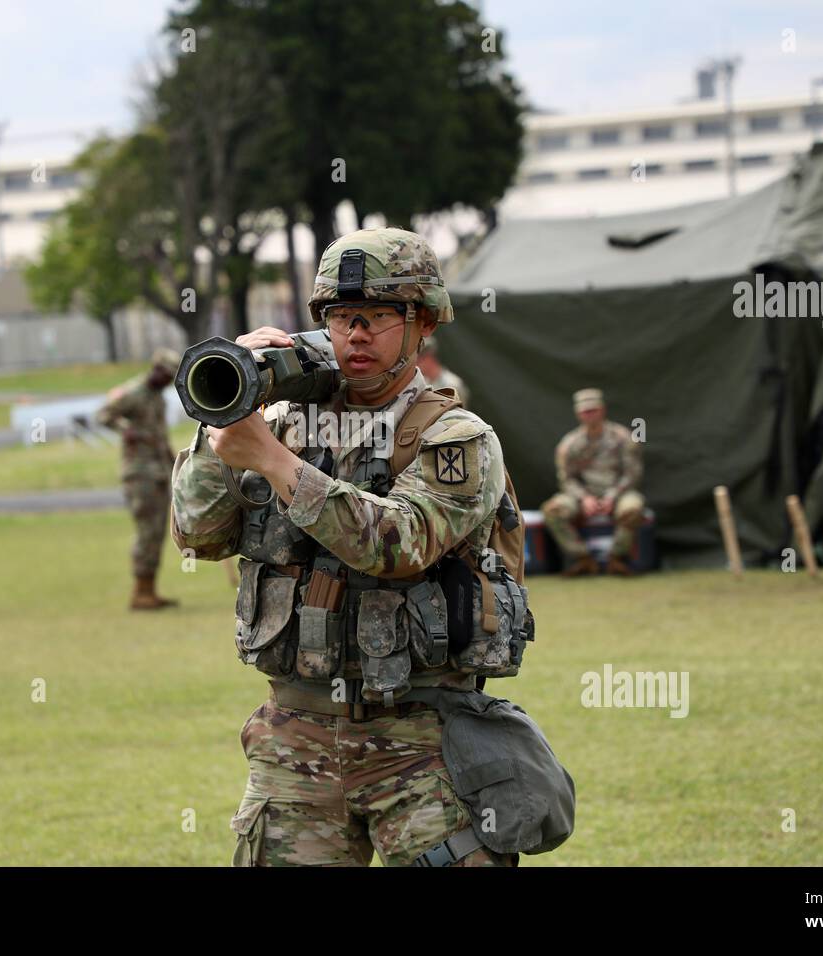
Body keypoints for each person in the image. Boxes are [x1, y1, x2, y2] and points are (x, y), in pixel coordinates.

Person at [170, 227, 526, 867]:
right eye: (339, 317)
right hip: (294, 741)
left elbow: (398, 545)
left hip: (421, 743)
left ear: (423, 324)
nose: (355, 334)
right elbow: (198, 532)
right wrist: (220, 419)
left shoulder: (454, 437)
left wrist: (276, 463)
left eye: (379, 316)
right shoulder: (282, 424)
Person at [97, 347, 183, 610]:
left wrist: (174, 463)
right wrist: (127, 430)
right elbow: (103, 415)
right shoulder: (133, 393)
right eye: (163, 373)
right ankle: (140, 592)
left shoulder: (158, 399)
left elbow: (160, 436)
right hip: (139, 473)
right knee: (147, 531)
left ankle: (148, 590)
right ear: (154, 368)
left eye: (170, 376)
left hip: (158, 471)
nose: (165, 379)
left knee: (157, 532)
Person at [541, 388, 645, 576]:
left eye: (593, 410)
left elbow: (632, 473)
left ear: (602, 410)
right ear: (578, 413)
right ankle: (583, 559)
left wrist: (612, 496)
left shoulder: (623, 437)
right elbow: (566, 479)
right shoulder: (569, 444)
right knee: (553, 510)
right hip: (584, 495)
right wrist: (584, 498)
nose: (589, 415)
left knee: (633, 508)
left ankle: (616, 559)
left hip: (619, 493)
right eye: (585, 411)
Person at [416, 336, 470, 407]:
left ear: (429, 358)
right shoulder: (422, 382)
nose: (416, 364)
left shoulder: (453, 385)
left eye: (419, 360)